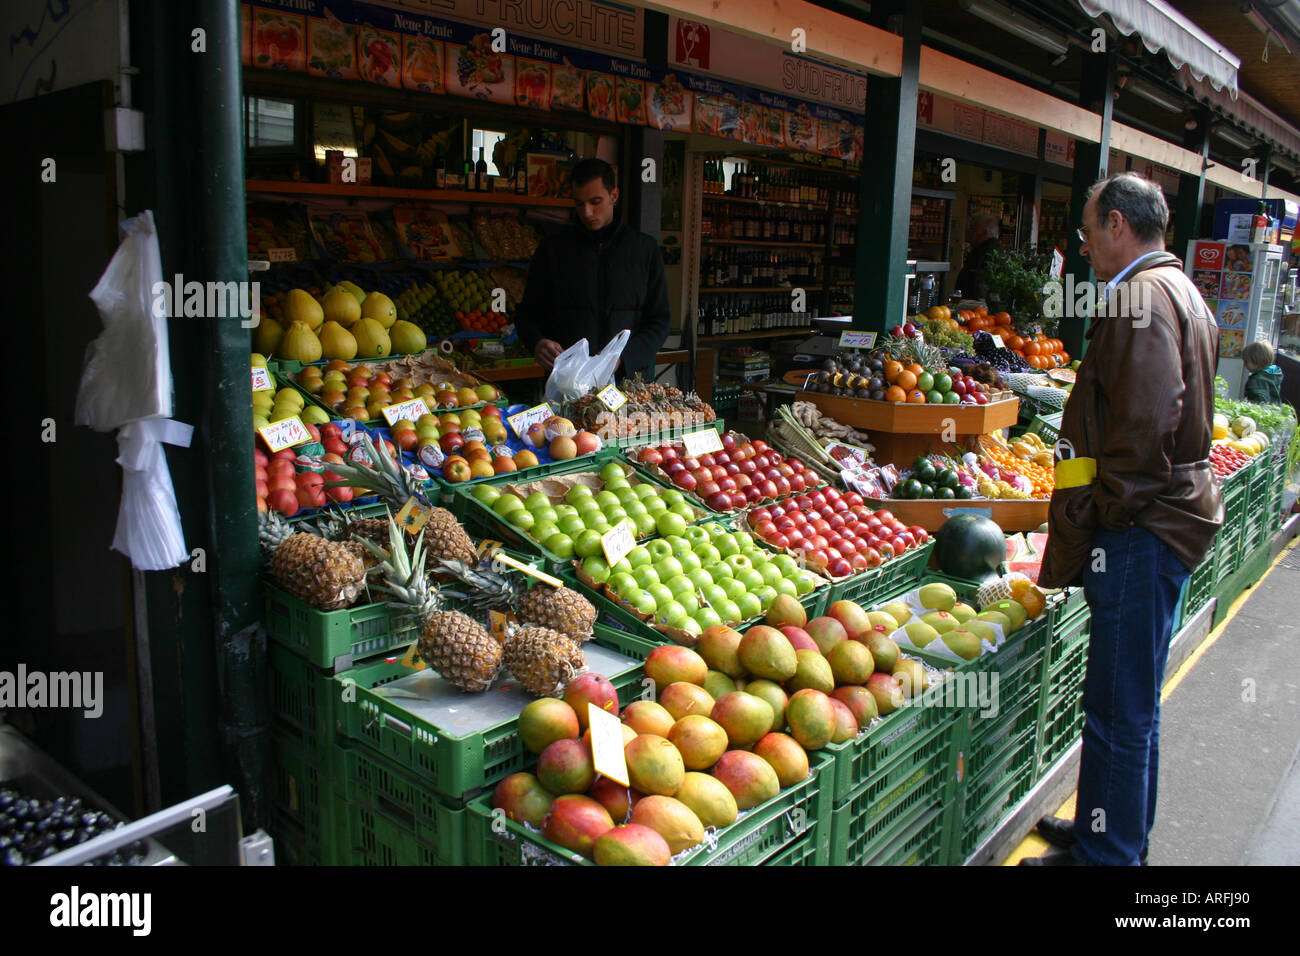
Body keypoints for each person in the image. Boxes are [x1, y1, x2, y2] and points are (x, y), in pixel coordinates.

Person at [1028, 172, 1223, 867]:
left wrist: (1109, 514)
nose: (1083, 249)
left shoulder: (1140, 298)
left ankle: (1107, 855)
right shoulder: (1179, 291)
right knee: (1129, 701)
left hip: (1141, 530)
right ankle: (1107, 830)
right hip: (1162, 519)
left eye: (1086, 232)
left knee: (1119, 708)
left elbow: (1144, 421)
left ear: (1117, 224)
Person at [515, 157, 671, 384]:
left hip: (629, 383)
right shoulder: (553, 249)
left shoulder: (644, 250)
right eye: (580, 204)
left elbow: (659, 321)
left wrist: (622, 358)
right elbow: (527, 315)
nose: (587, 212)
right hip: (567, 382)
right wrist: (538, 342)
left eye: (595, 202)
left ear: (614, 196)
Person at [953, 213, 1000, 301]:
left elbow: (975, 282)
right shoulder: (996, 251)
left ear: (984, 232)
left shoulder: (981, 252)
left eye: (973, 229)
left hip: (974, 306)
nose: (969, 232)